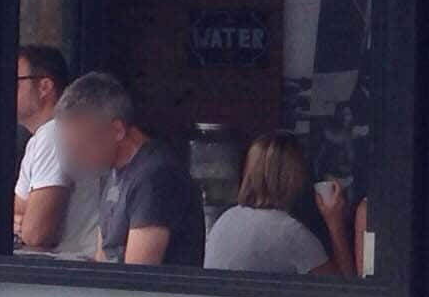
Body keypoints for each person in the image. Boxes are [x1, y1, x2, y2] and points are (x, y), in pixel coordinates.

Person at [55, 71, 206, 268]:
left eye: (83, 145)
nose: (78, 156)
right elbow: (104, 254)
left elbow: (137, 277)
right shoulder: (110, 171)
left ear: (117, 131)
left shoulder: (155, 176)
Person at [207, 133, 355, 277]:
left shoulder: (227, 218)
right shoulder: (289, 233)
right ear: (295, 177)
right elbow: (344, 289)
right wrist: (335, 222)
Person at [11, 43, 105, 258]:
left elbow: (36, 234)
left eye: (14, 82)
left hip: (66, 275)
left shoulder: (55, 135)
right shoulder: (44, 136)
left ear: (44, 87)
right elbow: (13, 212)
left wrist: (25, 221)